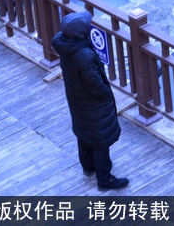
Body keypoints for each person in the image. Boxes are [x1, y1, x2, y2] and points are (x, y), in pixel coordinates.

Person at [51, 11, 129, 190]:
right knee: (100, 138)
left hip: (77, 99)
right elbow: (94, 85)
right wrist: (107, 94)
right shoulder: (84, 55)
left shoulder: (66, 45)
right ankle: (104, 179)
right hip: (93, 103)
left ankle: (88, 165)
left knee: (84, 131)